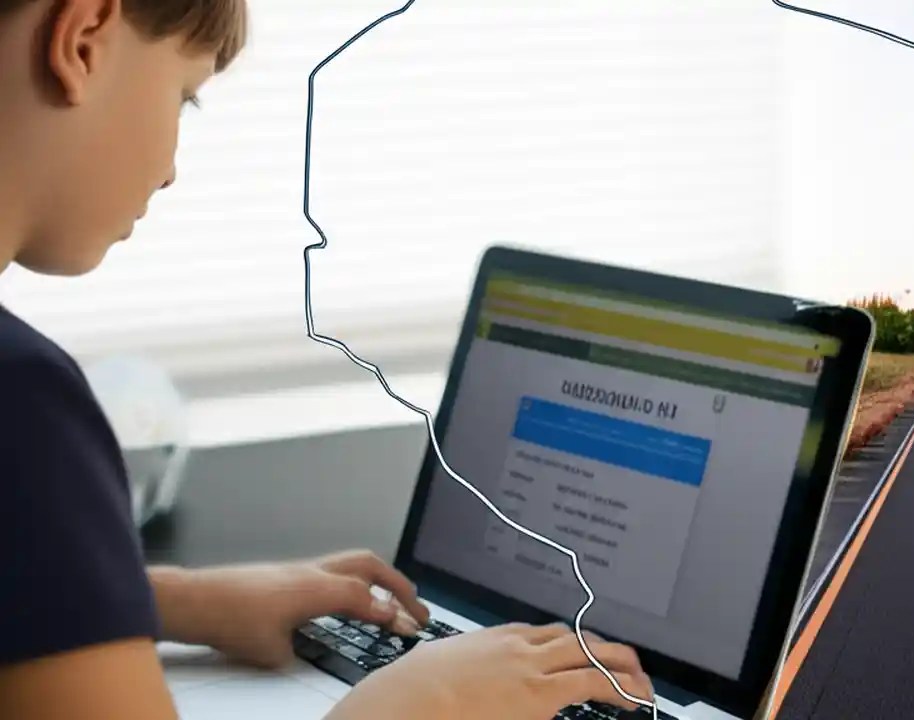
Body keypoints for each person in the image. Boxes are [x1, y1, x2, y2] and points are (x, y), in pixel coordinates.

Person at [0, 1, 653, 718]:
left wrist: (167, 599)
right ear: (82, 39)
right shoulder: (23, 406)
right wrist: (427, 700)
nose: (169, 173)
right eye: (184, 96)